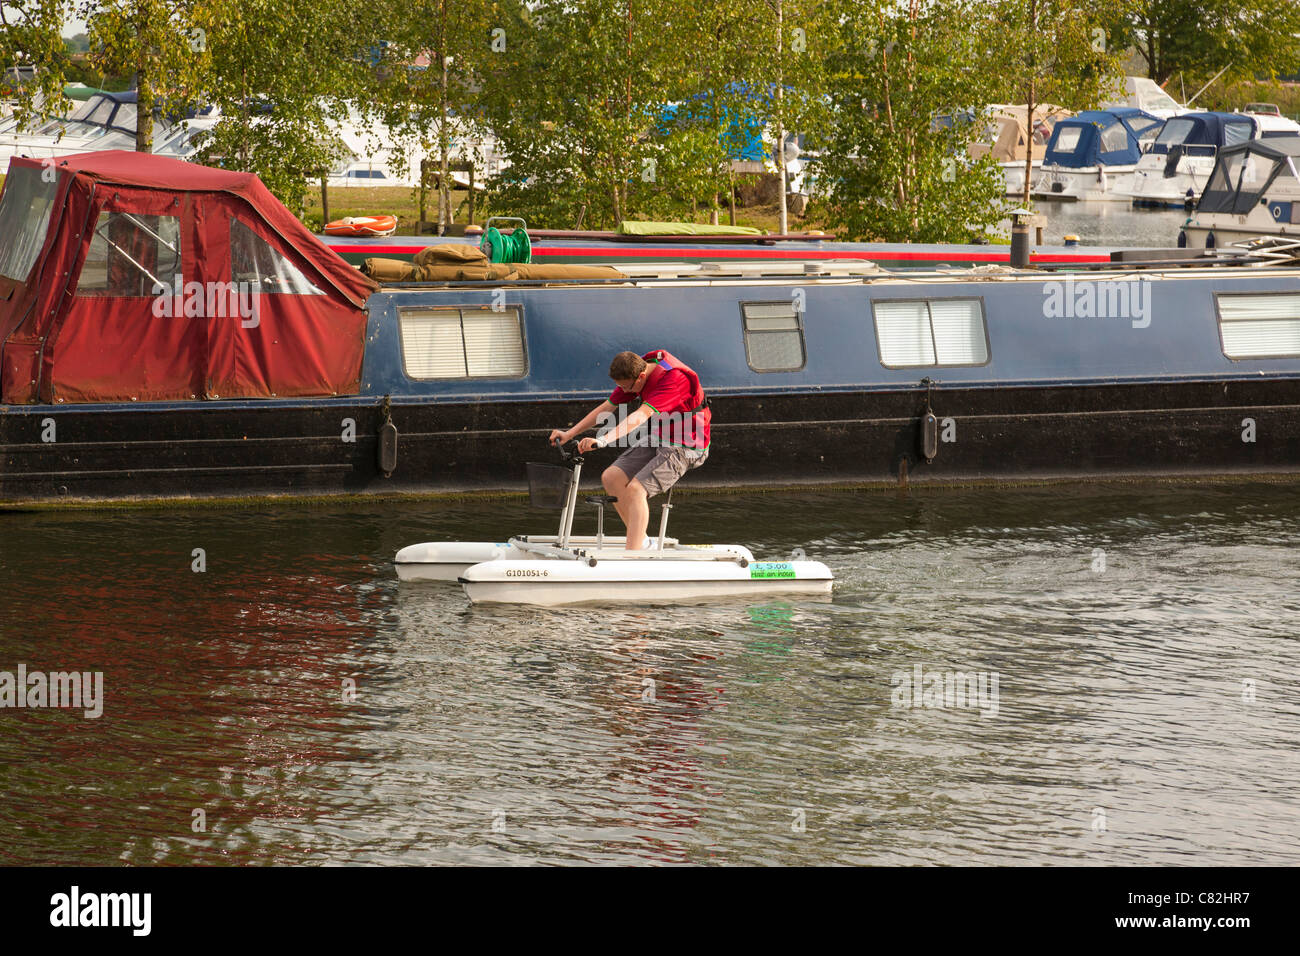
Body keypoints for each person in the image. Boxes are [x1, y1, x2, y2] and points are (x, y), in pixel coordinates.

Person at [548, 350, 711, 551]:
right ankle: (642, 542)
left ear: (641, 376)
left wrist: (603, 440)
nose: (624, 392)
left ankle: (633, 557)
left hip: (687, 446)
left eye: (626, 387)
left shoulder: (674, 380)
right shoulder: (636, 373)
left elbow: (640, 416)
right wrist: (569, 434)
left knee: (636, 490)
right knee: (611, 477)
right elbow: (607, 407)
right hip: (660, 437)